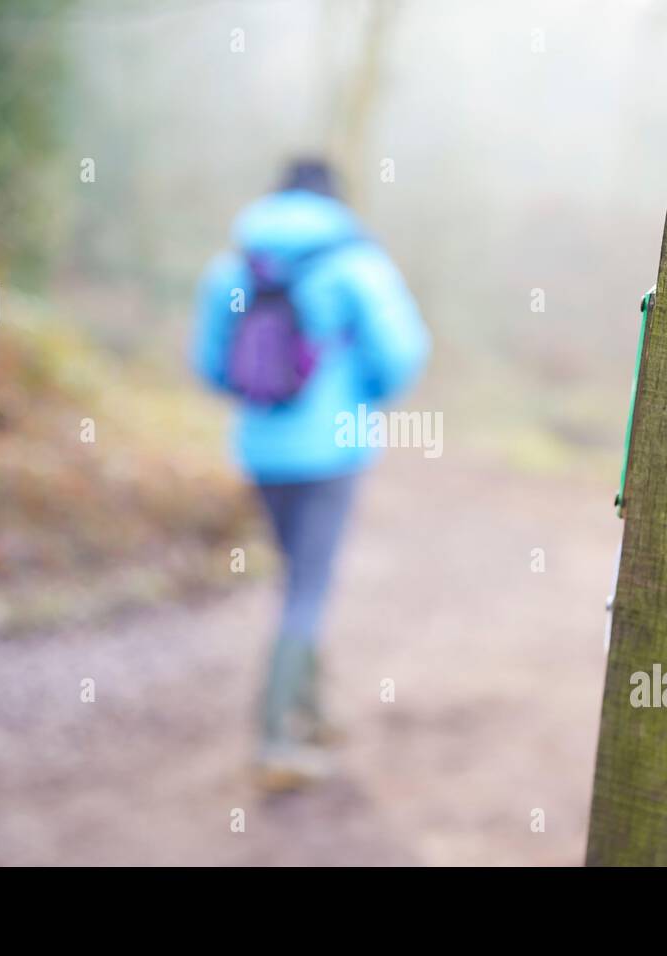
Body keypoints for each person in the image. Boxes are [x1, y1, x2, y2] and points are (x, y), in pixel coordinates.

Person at [192, 158, 430, 790]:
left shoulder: (233, 266)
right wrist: (362, 395)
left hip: (260, 451)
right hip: (332, 450)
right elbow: (403, 351)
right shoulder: (355, 263)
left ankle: (311, 713)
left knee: (298, 580)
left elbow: (210, 364)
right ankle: (275, 742)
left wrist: (260, 397)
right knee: (309, 587)